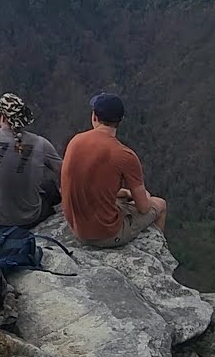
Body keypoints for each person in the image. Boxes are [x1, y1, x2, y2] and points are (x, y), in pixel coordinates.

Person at [60, 93, 167, 248]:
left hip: (76, 228)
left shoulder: (75, 141)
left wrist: (125, 193)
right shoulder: (125, 155)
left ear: (94, 117)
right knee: (160, 204)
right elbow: (143, 208)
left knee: (126, 196)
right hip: (105, 235)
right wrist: (146, 197)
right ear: (120, 120)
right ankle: (156, 249)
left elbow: (89, 185)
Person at [0, 93, 63, 229]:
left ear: (2, 117)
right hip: (31, 219)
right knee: (50, 188)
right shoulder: (40, 144)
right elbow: (64, 170)